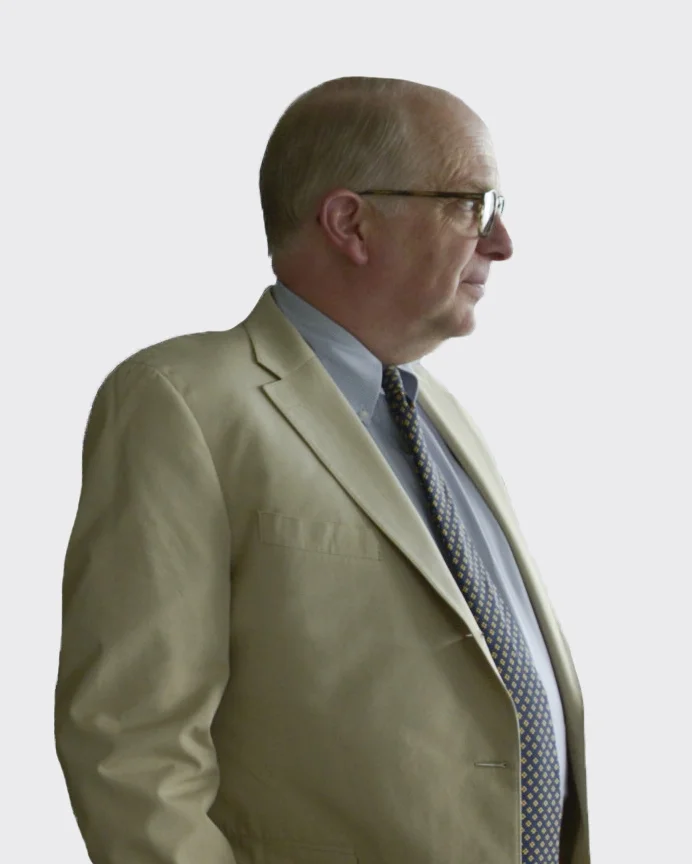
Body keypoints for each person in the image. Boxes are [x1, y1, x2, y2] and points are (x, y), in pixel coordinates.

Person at [54, 76, 591, 864]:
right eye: (471, 206)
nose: (501, 242)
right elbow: (131, 749)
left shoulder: (440, 415)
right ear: (350, 223)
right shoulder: (183, 403)